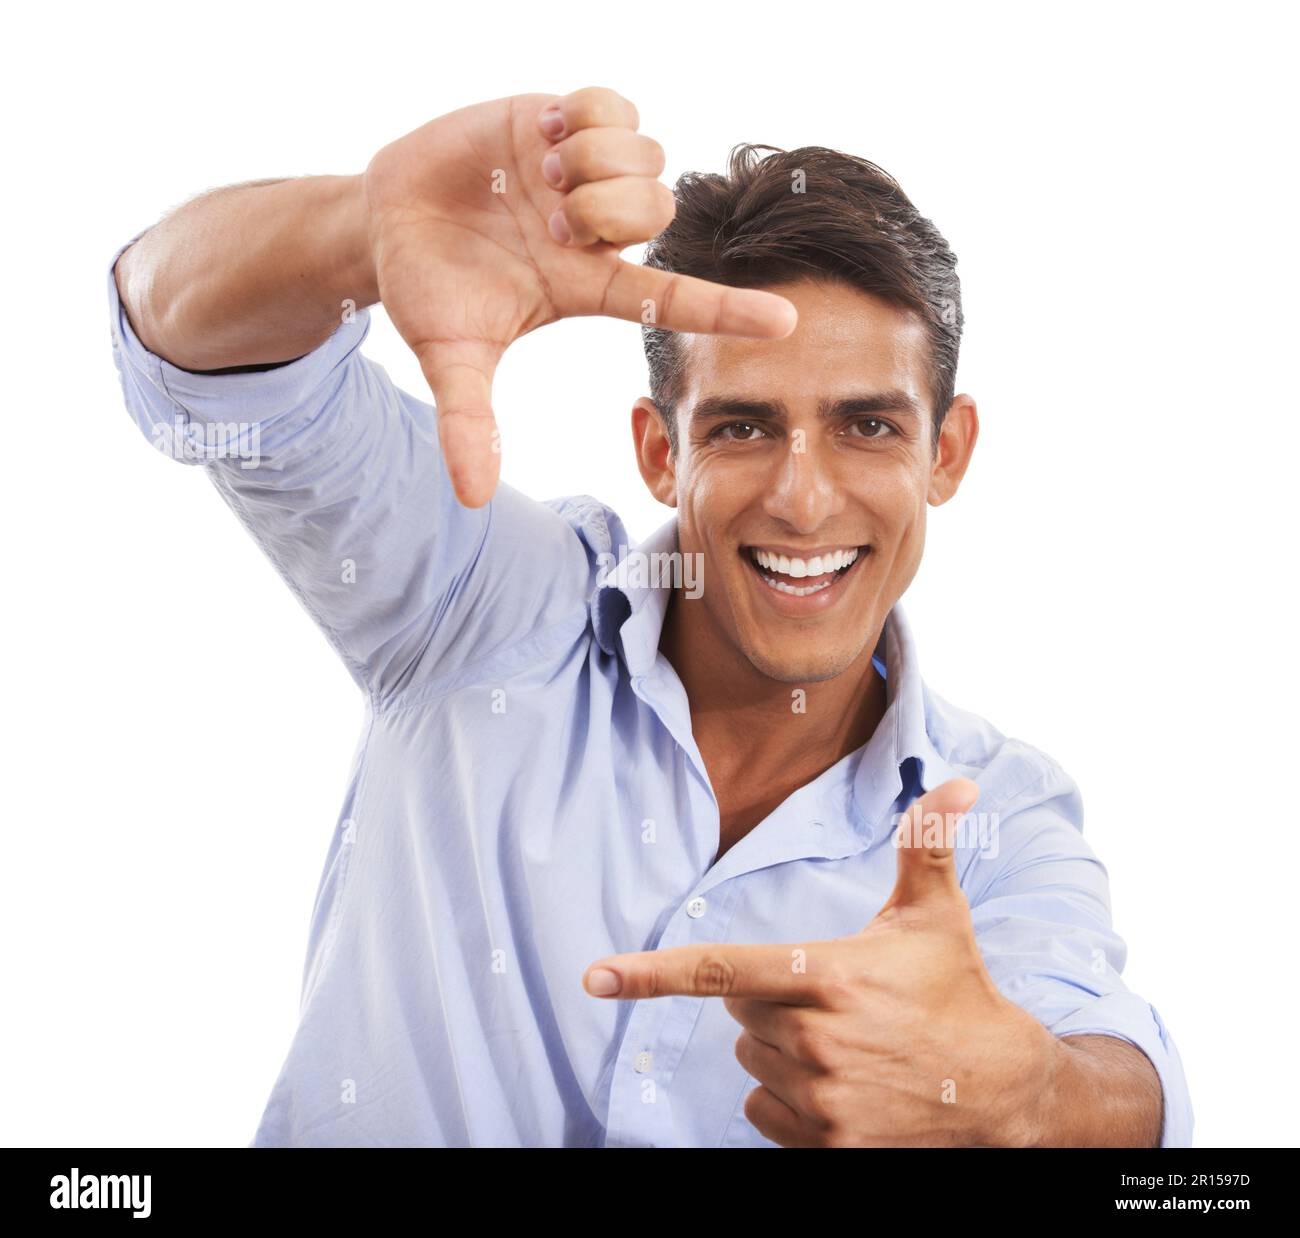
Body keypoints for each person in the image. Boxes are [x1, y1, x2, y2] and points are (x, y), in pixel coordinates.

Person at [107, 86, 1192, 1147]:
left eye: (865, 424)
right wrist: (355, 231)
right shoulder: (485, 603)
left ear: (943, 454)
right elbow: (198, 361)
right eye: (742, 427)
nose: (803, 498)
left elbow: (1121, 1079)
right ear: (659, 450)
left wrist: (1023, 1094)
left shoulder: (991, 812)